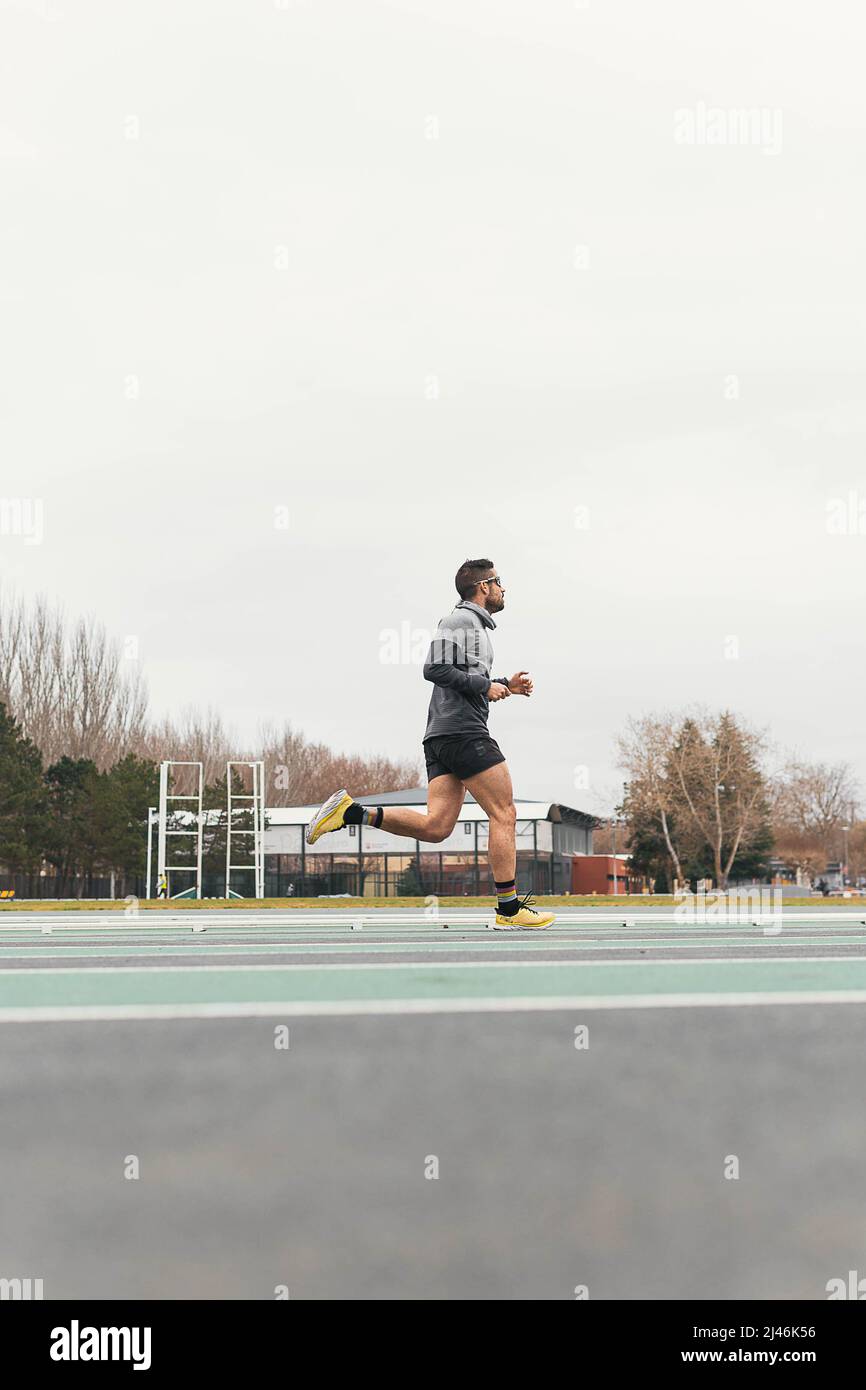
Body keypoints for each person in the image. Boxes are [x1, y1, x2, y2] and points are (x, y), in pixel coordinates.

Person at [306, 559, 555, 930]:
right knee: (504, 813)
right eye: (499, 582)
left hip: (442, 735)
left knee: (436, 827)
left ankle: (351, 813)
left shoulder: (474, 627)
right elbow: (433, 669)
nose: (505, 588)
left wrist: (501, 683)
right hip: (463, 733)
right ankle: (509, 909)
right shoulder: (461, 621)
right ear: (483, 587)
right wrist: (485, 686)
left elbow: (461, 678)